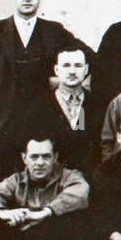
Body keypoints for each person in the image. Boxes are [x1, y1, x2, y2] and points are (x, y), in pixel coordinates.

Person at [0, 0, 84, 191]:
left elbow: (86, 56)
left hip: (41, 118)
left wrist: (68, 80)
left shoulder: (53, 30)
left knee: (39, 177)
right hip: (2, 121)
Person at [29, 42, 99, 178]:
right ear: (56, 70)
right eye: (66, 66)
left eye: (78, 66)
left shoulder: (98, 104)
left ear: (86, 69)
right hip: (52, 182)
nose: (72, 71)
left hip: (91, 181)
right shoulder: (39, 106)